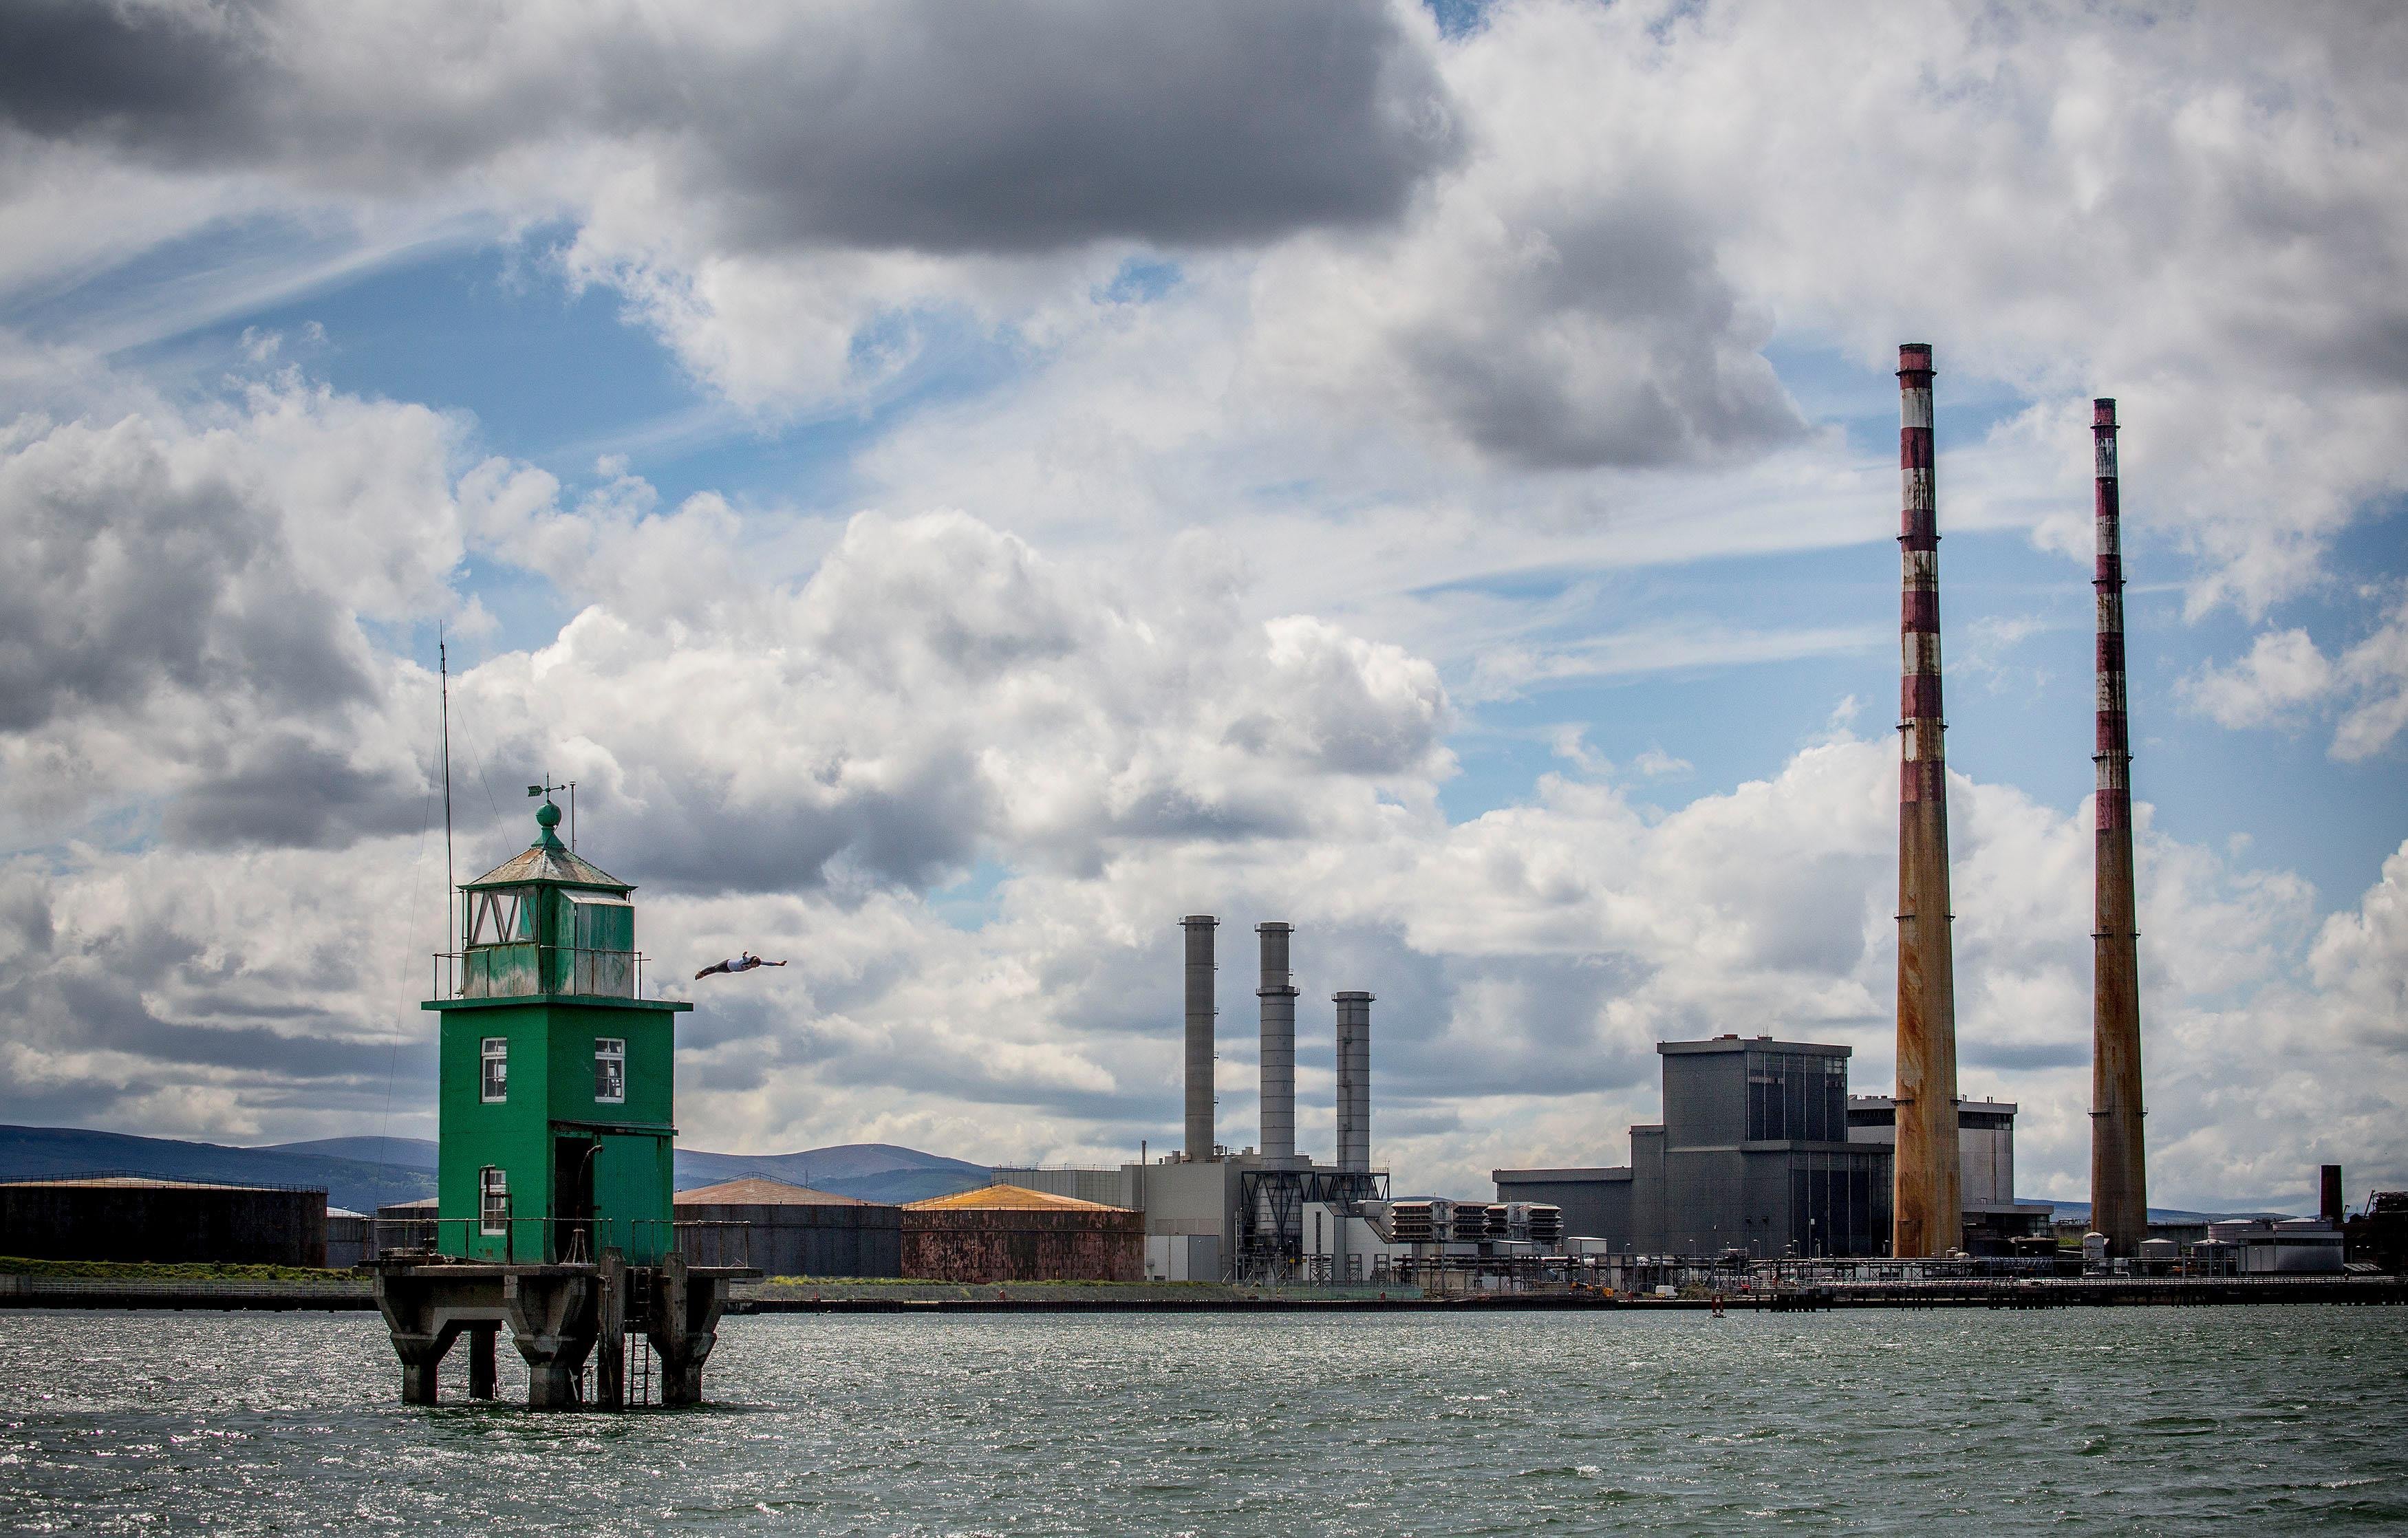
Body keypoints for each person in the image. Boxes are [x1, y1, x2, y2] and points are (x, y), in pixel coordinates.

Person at [694, 951, 787, 979]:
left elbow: (768, 963)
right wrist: (744, 955)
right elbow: (744, 957)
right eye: (754, 965)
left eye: (756, 966)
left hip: (729, 970)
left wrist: (779, 964)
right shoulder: (748, 960)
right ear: (753, 962)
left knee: (715, 971)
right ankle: (701, 973)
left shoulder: (758, 962)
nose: (755, 967)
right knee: (714, 968)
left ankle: (703, 974)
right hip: (727, 964)